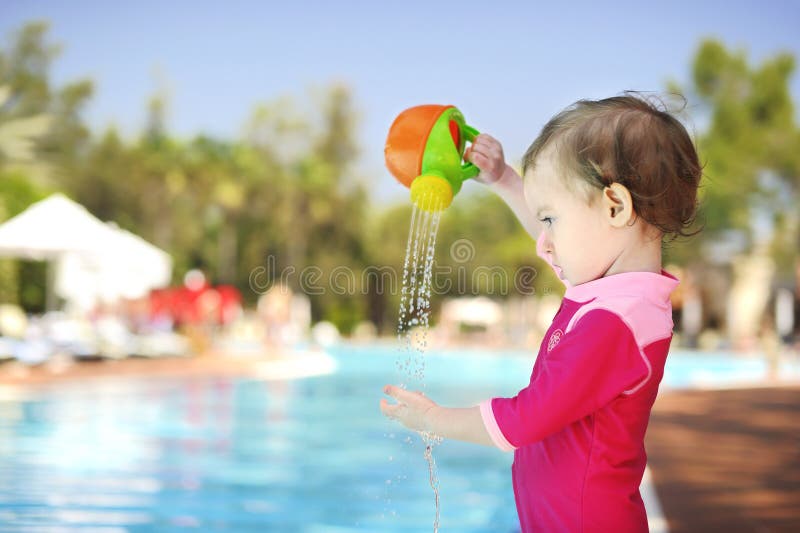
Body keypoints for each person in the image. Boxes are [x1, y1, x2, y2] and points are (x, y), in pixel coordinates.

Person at [380, 94, 702, 532]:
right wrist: (504, 179)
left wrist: (435, 420)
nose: (544, 242)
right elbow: (560, 239)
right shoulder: (611, 293)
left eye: (551, 219)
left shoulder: (616, 323)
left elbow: (529, 417)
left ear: (616, 207)